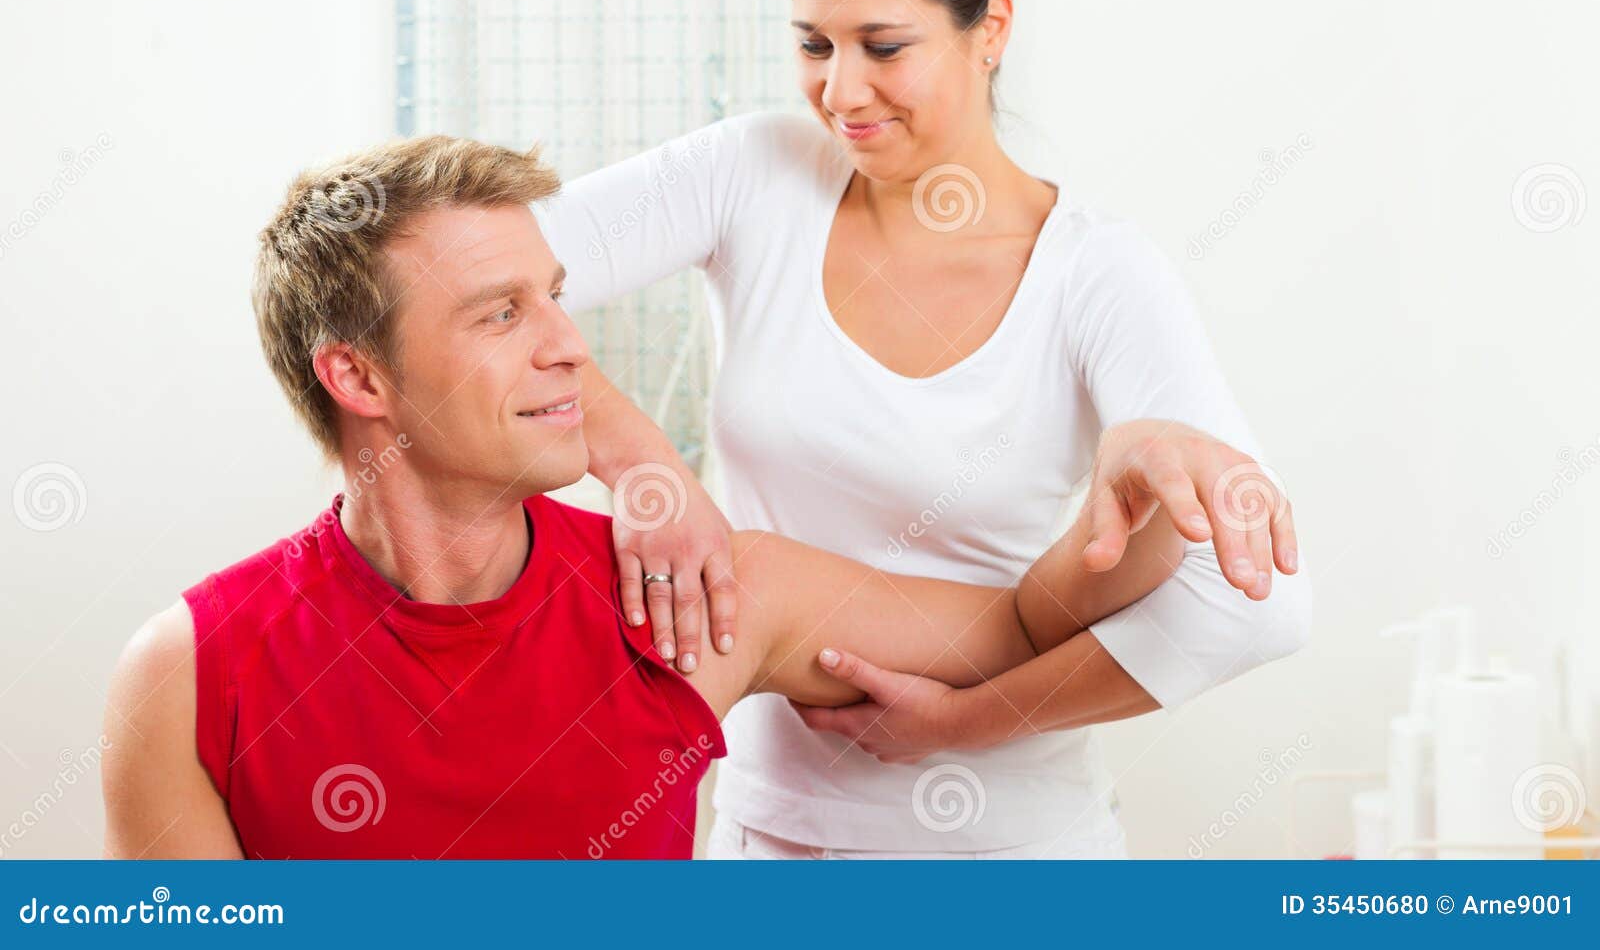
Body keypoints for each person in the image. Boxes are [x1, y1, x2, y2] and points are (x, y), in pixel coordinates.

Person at [99, 135, 1257, 860]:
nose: (568, 345)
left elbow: (1016, 627)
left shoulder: (705, 601)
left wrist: (1139, 497)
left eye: (556, 297)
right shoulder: (189, 671)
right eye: (502, 314)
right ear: (355, 375)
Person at [530, 0, 1312, 859]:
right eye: (813, 43)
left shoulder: (1097, 275)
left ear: (991, 27)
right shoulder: (753, 173)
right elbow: (481, 279)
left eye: (883, 46)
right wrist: (644, 468)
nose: (841, 92)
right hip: (770, 842)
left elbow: (1256, 608)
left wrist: (964, 721)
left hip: (1017, 860)